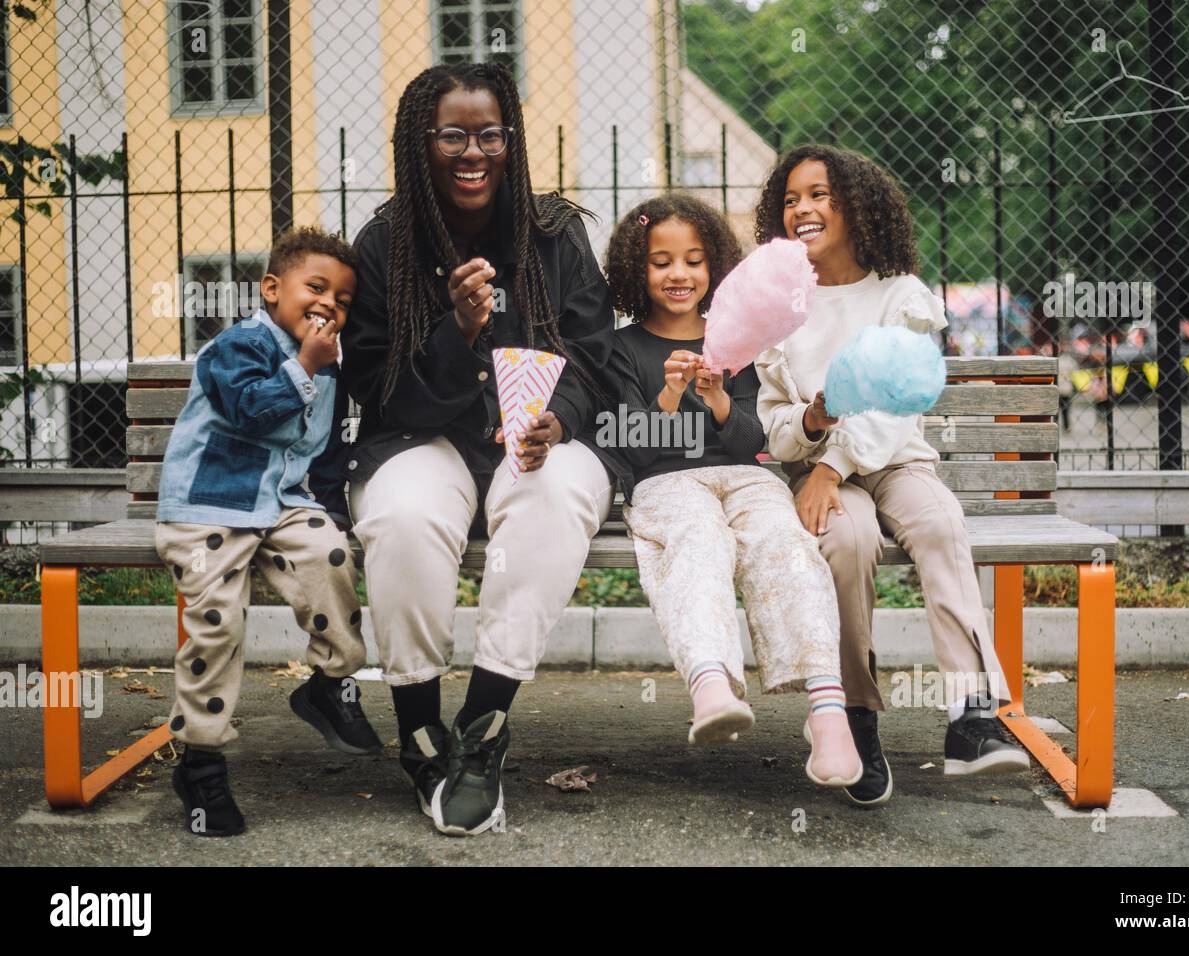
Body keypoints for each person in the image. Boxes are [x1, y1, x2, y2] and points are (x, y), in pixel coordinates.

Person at [340, 62, 628, 837]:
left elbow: (597, 358)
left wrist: (559, 419)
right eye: (454, 135)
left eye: (491, 134)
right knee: (402, 514)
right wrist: (456, 334)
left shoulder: (554, 234)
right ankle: (420, 729)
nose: (475, 152)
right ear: (419, 143)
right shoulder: (385, 243)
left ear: (513, 139)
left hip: (532, 440)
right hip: (421, 436)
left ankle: (481, 727)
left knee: (558, 491)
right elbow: (376, 387)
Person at [753, 145, 1030, 808]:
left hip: (892, 459)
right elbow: (771, 421)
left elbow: (890, 402)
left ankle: (972, 716)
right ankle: (857, 715)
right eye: (791, 199)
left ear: (856, 205)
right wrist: (813, 428)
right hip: (822, 470)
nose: (803, 209)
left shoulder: (900, 294)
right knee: (845, 544)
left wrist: (832, 463)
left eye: (819, 194)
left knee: (938, 522)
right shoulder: (778, 305)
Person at [603, 195, 861, 788]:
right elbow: (630, 448)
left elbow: (752, 441)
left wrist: (719, 398)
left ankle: (826, 711)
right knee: (699, 538)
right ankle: (711, 684)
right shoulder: (622, 349)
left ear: (715, 266)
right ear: (634, 271)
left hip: (745, 478)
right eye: (661, 262)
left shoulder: (736, 342)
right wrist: (669, 397)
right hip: (664, 483)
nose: (679, 275)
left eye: (694, 260)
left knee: (784, 541)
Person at [157, 226, 379, 837]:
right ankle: (201, 763)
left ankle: (330, 683)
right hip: (209, 506)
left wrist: (327, 509)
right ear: (272, 288)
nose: (330, 304)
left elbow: (326, 449)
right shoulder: (239, 346)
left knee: (331, 554)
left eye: (343, 298)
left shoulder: (329, 364)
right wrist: (305, 365)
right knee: (218, 621)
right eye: (316, 287)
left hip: (281, 504)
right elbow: (251, 411)